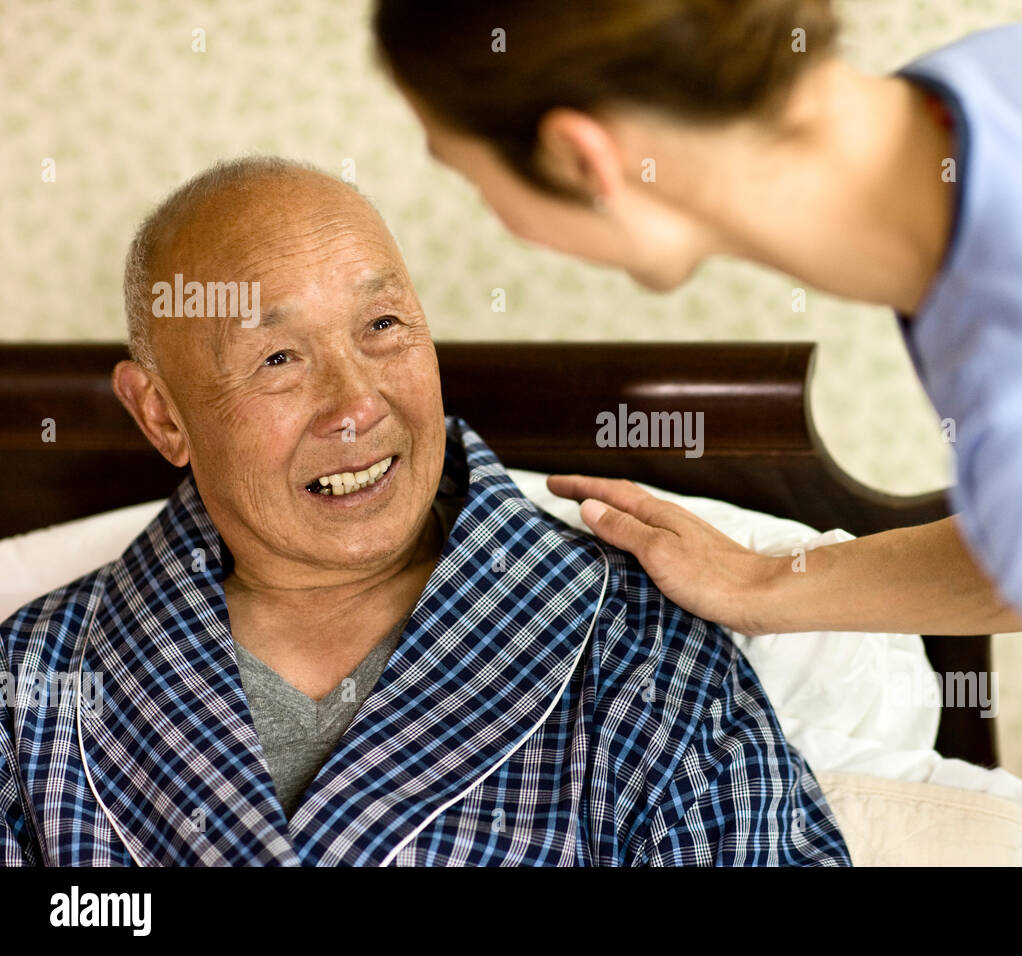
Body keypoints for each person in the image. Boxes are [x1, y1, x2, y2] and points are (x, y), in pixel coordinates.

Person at [374, 1, 1022, 864]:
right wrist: (766, 583)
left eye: (464, 174)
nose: (496, 222)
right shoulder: (1003, 96)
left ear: (584, 158)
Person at [0, 157, 848, 866]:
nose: (355, 405)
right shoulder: (30, 690)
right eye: (279, 357)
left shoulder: (631, 642)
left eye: (382, 323)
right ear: (161, 415)